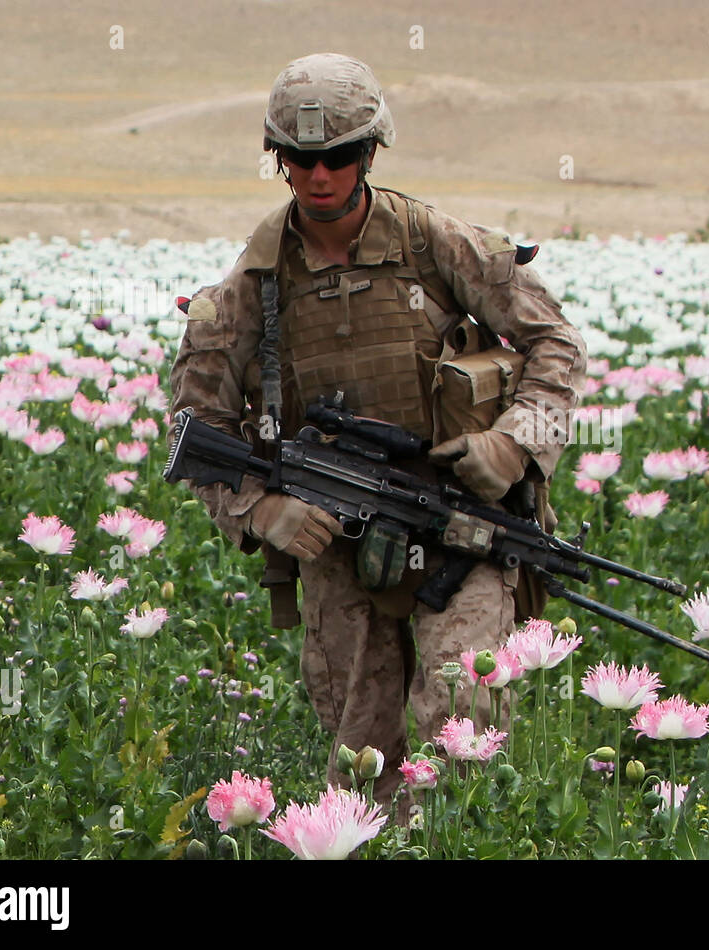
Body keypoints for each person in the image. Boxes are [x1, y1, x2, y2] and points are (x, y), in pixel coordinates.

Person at [169, 53, 586, 803]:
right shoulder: (249, 289)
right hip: (337, 546)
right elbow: (195, 430)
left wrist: (513, 441)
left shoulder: (436, 243)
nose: (318, 176)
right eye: (300, 159)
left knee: (464, 732)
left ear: (369, 154)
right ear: (278, 160)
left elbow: (555, 342)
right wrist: (263, 509)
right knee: (363, 769)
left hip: (464, 520)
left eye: (337, 157)